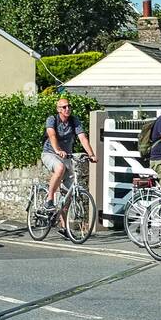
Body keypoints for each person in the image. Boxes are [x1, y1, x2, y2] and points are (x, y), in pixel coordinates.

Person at [42, 97, 97, 234]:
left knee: (68, 194)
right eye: (64, 107)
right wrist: (57, 150)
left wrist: (91, 154)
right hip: (50, 153)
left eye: (69, 106)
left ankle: (63, 226)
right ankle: (49, 199)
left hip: (66, 155)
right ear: (58, 109)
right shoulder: (52, 119)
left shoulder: (74, 120)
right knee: (59, 168)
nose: (67, 109)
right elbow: (52, 135)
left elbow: (82, 138)